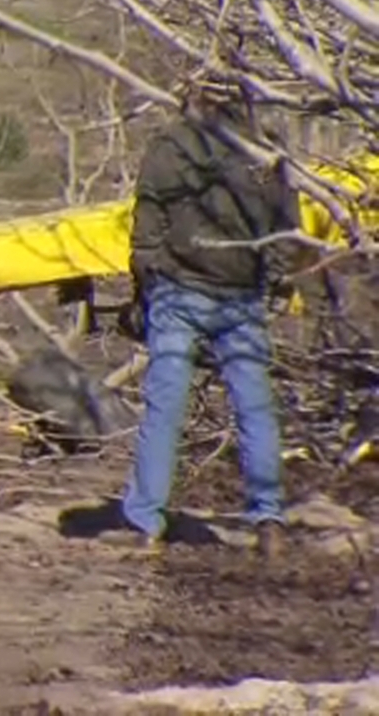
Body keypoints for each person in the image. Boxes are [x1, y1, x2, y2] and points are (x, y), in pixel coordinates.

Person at [122, 101, 303, 558]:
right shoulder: (266, 150)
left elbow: (147, 223)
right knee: (254, 409)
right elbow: (288, 229)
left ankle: (147, 522)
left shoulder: (172, 144)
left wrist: (146, 284)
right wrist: (274, 283)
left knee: (163, 408)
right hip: (241, 296)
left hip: (178, 290)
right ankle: (267, 519)